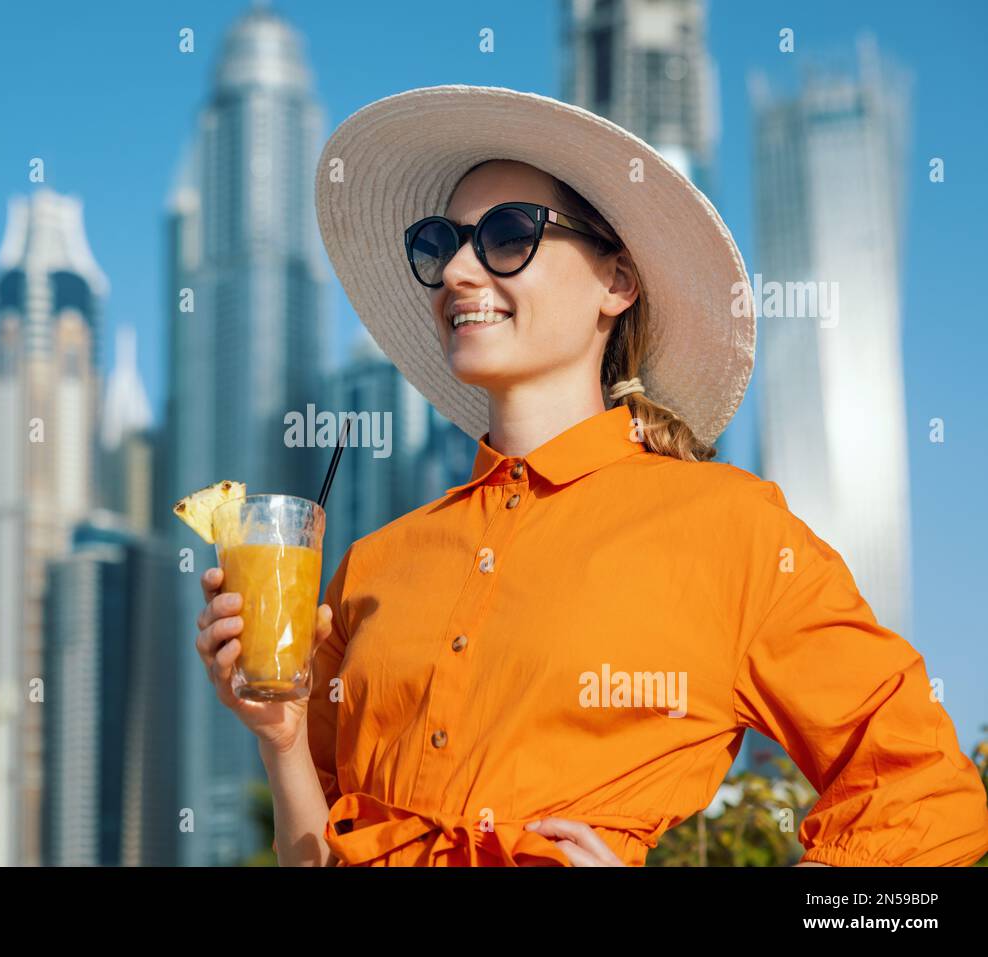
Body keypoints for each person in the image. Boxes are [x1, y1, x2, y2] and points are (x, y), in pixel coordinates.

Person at [193, 85, 988, 866]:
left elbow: (927, 795)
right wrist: (283, 738)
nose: (460, 272)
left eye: (508, 235)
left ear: (618, 281)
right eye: (442, 244)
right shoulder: (374, 563)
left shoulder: (730, 531)